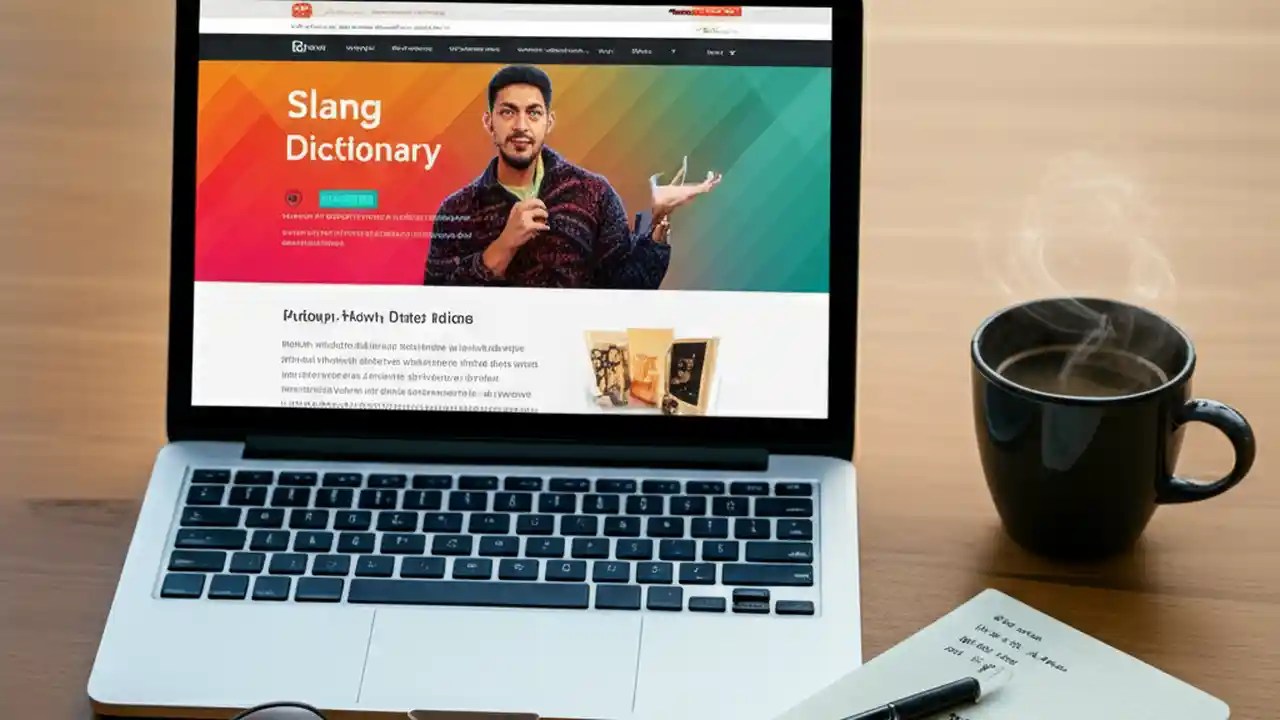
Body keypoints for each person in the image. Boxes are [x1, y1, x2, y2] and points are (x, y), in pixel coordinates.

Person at [424, 65, 721, 288]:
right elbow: (436, 309)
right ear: (489, 122)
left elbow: (627, 287)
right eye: (508, 112)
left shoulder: (593, 193)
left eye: (534, 113)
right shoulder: (457, 209)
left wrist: (658, 221)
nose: (521, 126)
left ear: (549, 121)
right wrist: (503, 246)